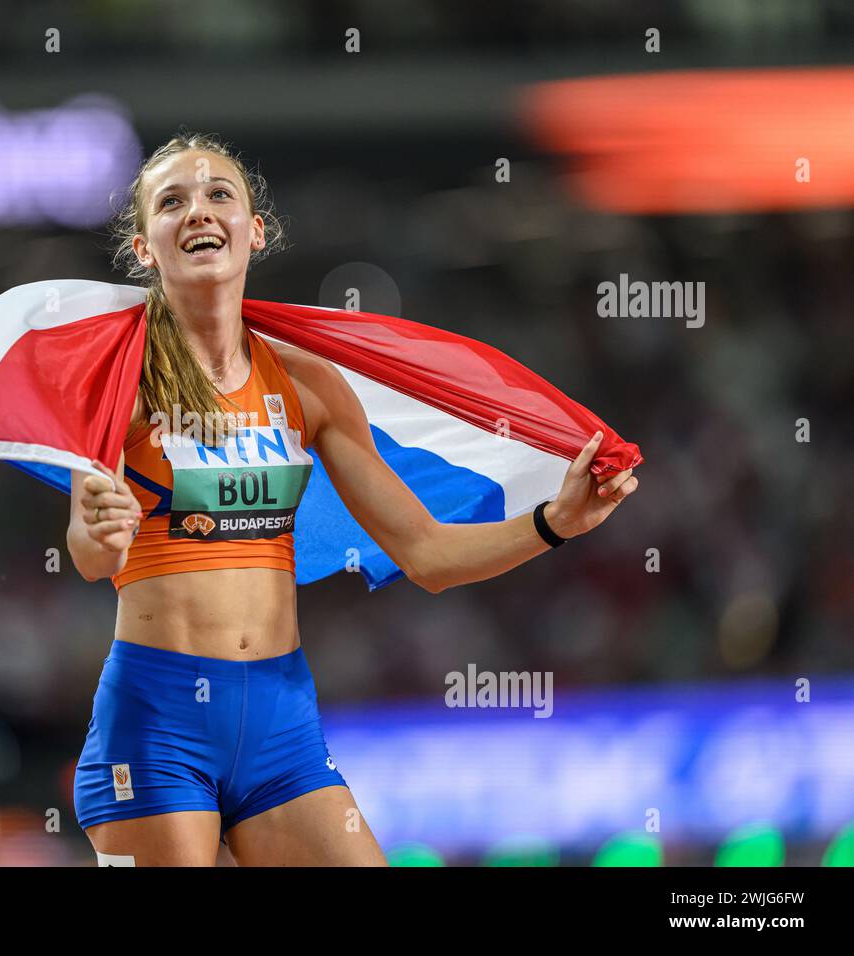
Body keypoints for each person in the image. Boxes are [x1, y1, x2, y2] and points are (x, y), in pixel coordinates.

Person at [67, 132, 638, 866]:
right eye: (171, 202)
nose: (197, 211)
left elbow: (427, 554)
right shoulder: (118, 383)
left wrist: (553, 523)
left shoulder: (308, 385)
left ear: (254, 230)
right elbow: (88, 554)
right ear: (145, 247)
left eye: (219, 195)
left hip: (280, 724)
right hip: (158, 723)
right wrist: (98, 533)